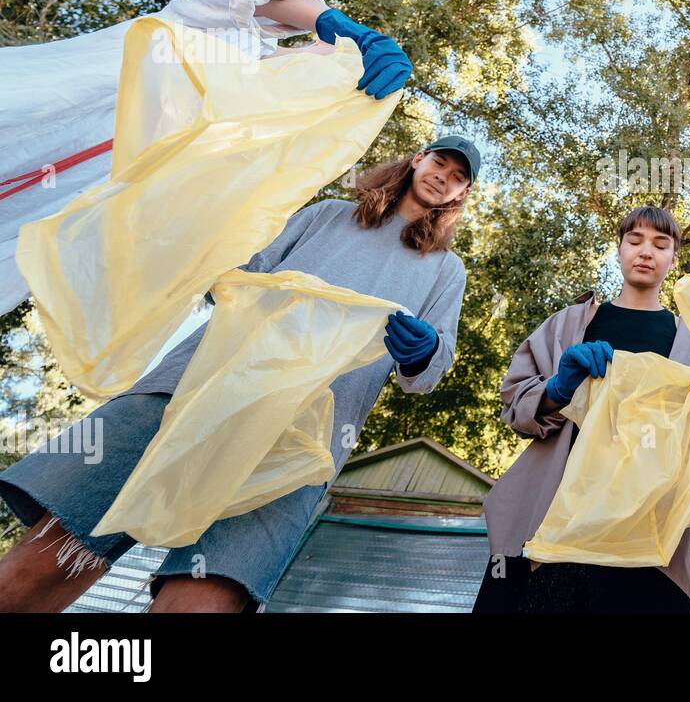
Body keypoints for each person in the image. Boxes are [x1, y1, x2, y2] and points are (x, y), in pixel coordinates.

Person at [0, 136, 478, 612]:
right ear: (418, 159)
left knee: (200, 603)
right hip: (193, 389)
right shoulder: (328, 213)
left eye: (459, 177)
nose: (444, 177)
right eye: (440, 162)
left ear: (461, 196)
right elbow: (236, 273)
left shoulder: (445, 270)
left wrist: (423, 350)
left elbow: (429, 371)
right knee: (47, 563)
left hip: (302, 442)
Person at [0, 0, 414, 314]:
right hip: (31, 110)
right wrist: (345, 29)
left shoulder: (227, 152)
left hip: (30, 219)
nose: (312, 79)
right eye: (326, 61)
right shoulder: (222, 42)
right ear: (306, 42)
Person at [473, 206, 690, 613]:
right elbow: (515, 402)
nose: (645, 251)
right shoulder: (569, 324)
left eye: (660, 244)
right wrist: (557, 390)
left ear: (673, 258)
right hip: (552, 523)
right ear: (618, 250)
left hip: (645, 538)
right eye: (634, 240)